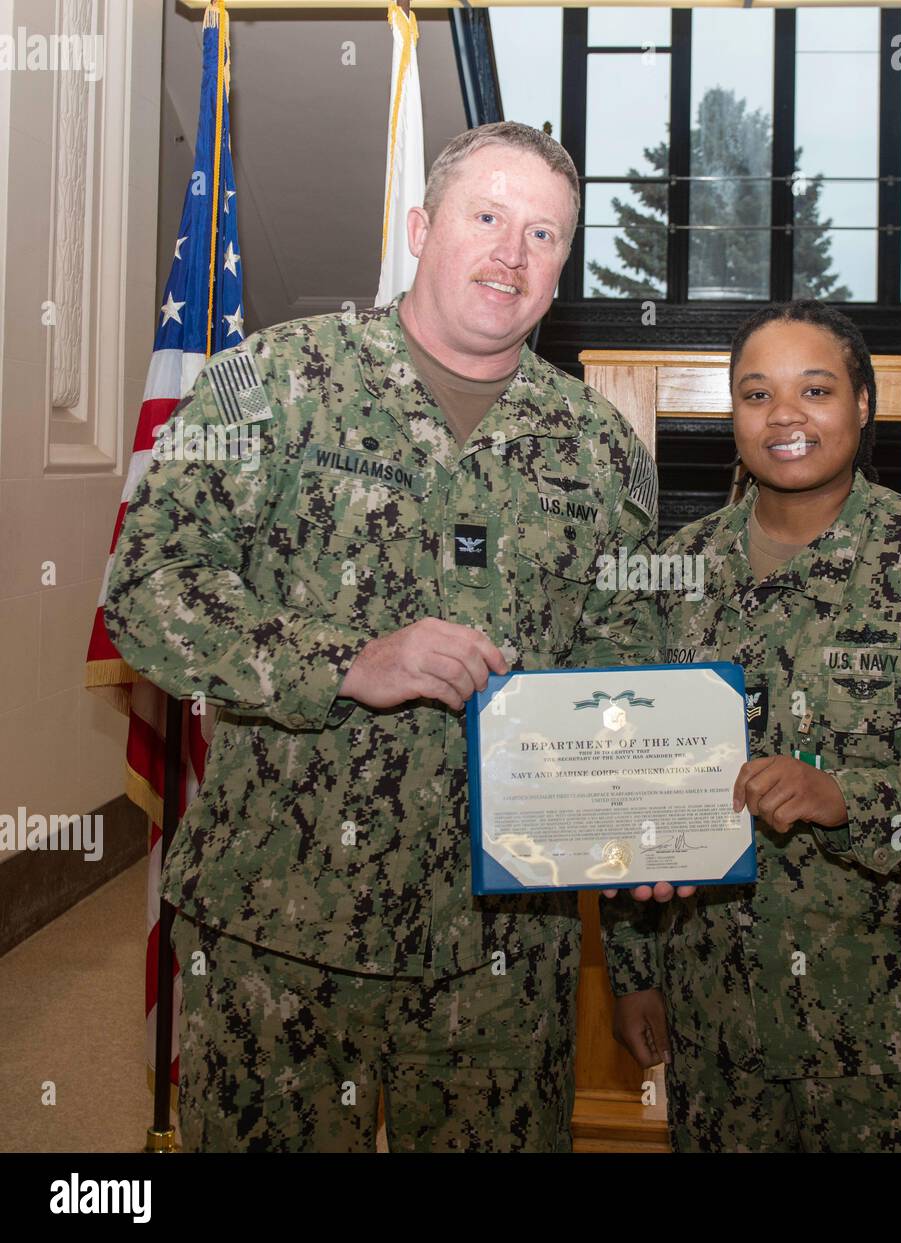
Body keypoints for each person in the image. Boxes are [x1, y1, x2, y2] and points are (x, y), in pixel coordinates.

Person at [104, 122, 658, 1152]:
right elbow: (145, 587)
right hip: (280, 935)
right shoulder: (268, 382)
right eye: (486, 217)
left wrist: (639, 947)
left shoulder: (600, 451)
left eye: (542, 235)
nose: (510, 253)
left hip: (502, 955)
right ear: (419, 226)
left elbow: (619, 693)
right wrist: (344, 663)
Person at [602, 300, 901, 1152]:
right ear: (732, 414)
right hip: (727, 1039)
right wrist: (634, 972)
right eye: (756, 394)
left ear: (862, 403)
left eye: (814, 389)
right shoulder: (676, 576)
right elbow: (635, 787)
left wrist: (849, 798)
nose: (784, 415)